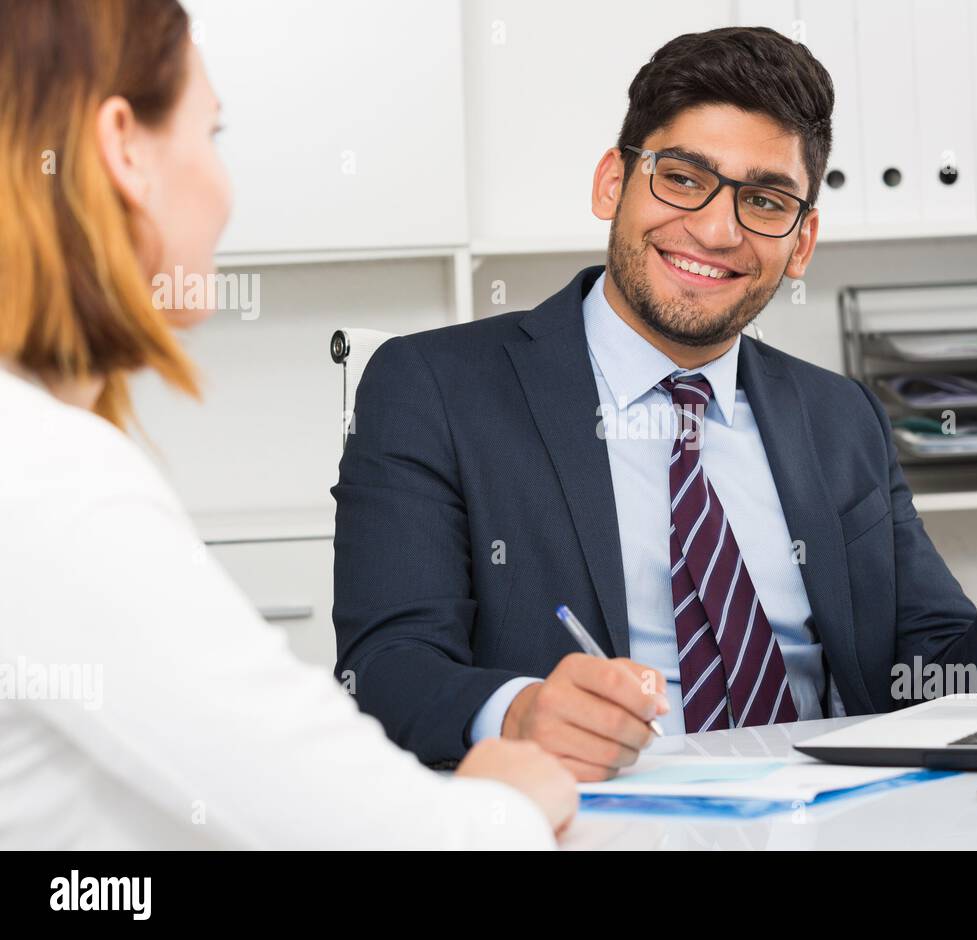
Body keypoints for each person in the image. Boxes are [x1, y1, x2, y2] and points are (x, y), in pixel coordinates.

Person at [332, 26, 977, 782]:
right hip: (598, 821)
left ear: (801, 241)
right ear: (612, 183)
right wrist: (517, 712)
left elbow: (924, 670)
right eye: (684, 179)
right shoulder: (435, 387)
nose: (717, 230)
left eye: (765, 201)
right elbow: (389, 665)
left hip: (837, 822)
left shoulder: (840, 415)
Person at [0, 0, 575, 849]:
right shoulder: (50, 480)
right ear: (124, 147)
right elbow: (368, 835)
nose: (227, 192)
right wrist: (509, 795)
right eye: (214, 134)